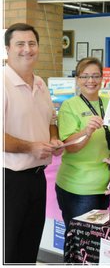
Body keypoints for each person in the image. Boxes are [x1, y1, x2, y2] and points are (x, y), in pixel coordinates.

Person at [3, 23, 65, 264]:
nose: (27, 49)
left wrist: (52, 138)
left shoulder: (40, 83)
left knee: (29, 247)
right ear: (7, 48)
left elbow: (50, 119)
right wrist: (31, 147)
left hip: (37, 178)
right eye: (20, 44)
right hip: (9, 181)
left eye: (32, 43)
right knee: (6, 249)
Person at [55, 57, 110, 250]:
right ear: (77, 79)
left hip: (108, 187)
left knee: (99, 244)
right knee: (79, 243)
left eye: (95, 76)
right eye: (85, 76)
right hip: (79, 189)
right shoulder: (69, 106)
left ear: (102, 78)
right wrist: (87, 131)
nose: (91, 81)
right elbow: (70, 146)